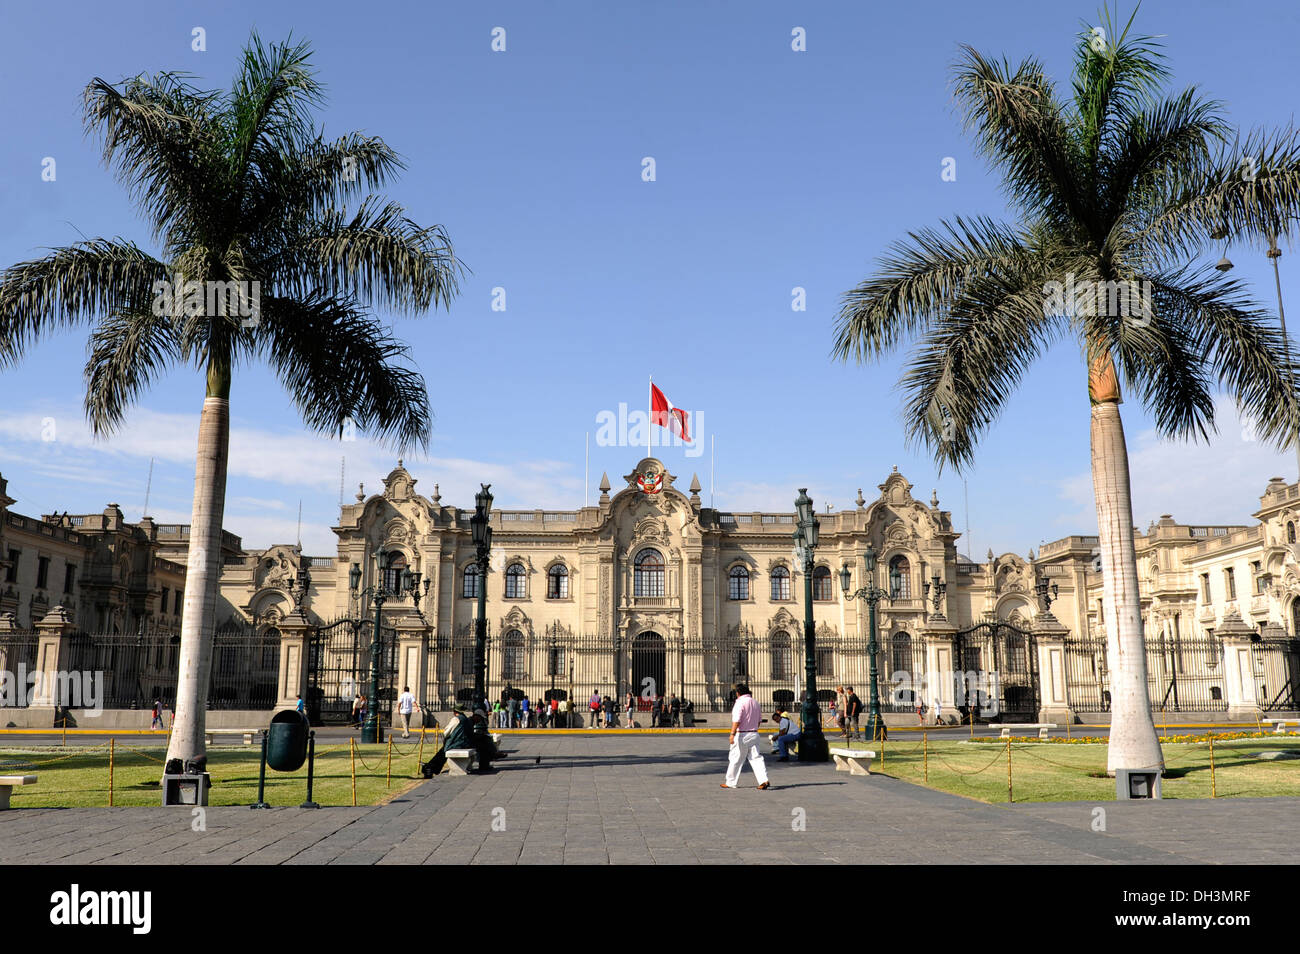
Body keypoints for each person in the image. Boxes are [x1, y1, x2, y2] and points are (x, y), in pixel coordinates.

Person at [721, 683, 769, 790]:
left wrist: (732, 734)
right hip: (754, 733)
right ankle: (763, 779)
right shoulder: (756, 702)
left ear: (738, 693)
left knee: (735, 758)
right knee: (756, 758)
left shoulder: (740, 703)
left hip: (742, 734)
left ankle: (730, 781)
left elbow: (736, 720)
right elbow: (759, 721)